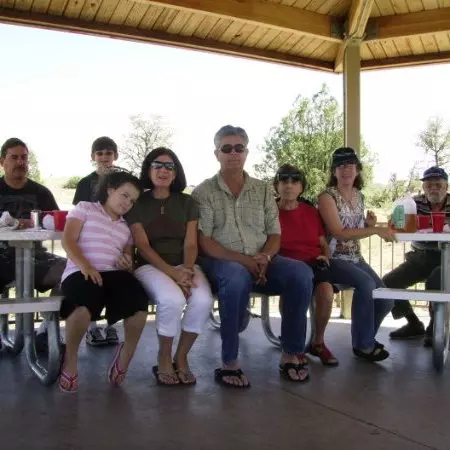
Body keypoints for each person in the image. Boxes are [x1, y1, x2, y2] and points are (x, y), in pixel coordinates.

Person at [192, 125, 314, 388]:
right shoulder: (204, 192)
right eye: (227, 148)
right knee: (236, 277)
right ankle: (229, 362)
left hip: (262, 260)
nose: (233, 153)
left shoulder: (261, 190)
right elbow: (205, 241)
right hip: (222, 261)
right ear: (217, 154)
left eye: (239, 147)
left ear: (246, 152)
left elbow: (274, 233)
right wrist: (245, 260)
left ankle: (291, 352)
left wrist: (266, 257)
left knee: (301, 273)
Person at [127, 148, 214, 386]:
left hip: (185, 264)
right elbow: (142, 246)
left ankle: (181, 357)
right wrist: (172, 273)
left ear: (176, 174)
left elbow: (190, 242)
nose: (163, 170)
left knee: (203, 300)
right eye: (157, 165)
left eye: (169, 166)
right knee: (172, 300)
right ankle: (164, 357)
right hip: (150, 266)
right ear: (148, 170)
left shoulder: (188, 202)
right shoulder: (137, 203)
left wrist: (185, 271)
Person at [59, 171, 149, 393]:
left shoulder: (126, 227)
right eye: (124, 195)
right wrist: (86, 266)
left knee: (138, 306)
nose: (127, 203)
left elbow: (128, 257)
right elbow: (68, 240)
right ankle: (70, 361)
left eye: (132, 200)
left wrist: (127, 263)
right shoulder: (85, 208)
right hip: (80, 271)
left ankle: (124, 357)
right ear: (110, 190)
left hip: (113, 274)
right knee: (82, 305)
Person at [318, 147, 395, 362]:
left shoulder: (359, 196)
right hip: (331, 259)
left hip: (355, 258)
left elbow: (354, 228)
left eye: (350, 165)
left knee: (386, 299)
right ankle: (364, 345)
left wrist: (367, 224)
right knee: (366, 284)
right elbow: (339, 233)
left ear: (358, 169)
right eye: (340, 165)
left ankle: (364, 339)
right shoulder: (327, 197)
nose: (345, 170)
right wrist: (375, 230)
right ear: (333, 171)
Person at [0, 137, 66, 351]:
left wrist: (33, 224)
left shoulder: (41, 192)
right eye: (14, 157)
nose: (20, 162)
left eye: (24, 157)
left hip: (35, 258)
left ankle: (45, 331)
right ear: (3, 162)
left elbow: (56, 223)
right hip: (1, 258)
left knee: (72, 272)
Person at [275, 164, 338, 366]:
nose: (289, 186)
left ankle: (317, 342)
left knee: (326, 292)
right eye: (284, 181)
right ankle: (292, 343)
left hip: (313, 261)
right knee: (293, 291)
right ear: (276, 185)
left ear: (301, 187)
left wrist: (325, 257)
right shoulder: (270, 212)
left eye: (295, 182)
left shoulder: (311, 212)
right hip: (285, 264)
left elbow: (322, 243)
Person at [383, 166, 450, 347]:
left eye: (438, 184)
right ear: (424, 187)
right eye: (429, 185)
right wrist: (395, 220)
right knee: (389, 282)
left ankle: (435, 327)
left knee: (436, 281)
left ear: (446, 186)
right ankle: (413, 323)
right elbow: (395, 221)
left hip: (446, 257)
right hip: (419, 257)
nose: (433, 188)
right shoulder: (415, 203)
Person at [73, 136, 120, 347]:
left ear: (115, 156)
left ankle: (112, 325)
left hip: (117, 240)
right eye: (99, 153)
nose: (104, 157)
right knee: (91, 284)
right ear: (93, 157)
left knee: (116, 284)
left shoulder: (123, 181)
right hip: (90, 244)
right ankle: (92, 328)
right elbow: (76, 215)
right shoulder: (84, 183)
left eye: (108, 153)